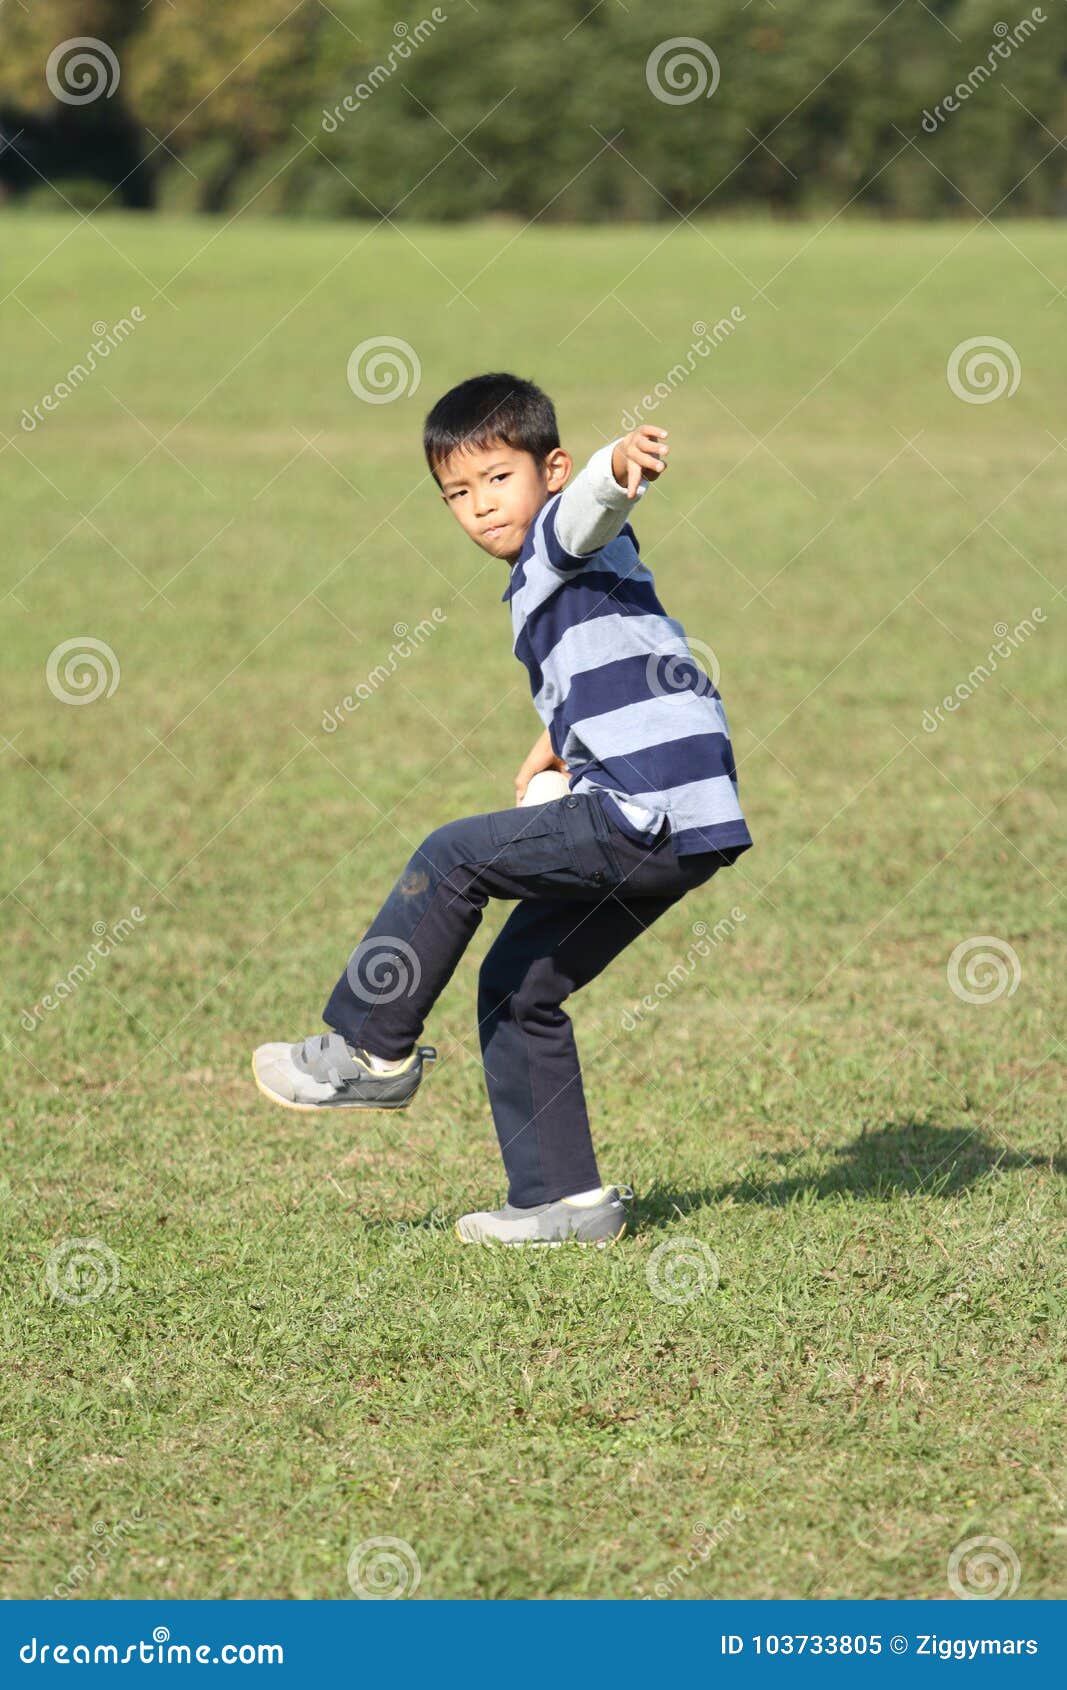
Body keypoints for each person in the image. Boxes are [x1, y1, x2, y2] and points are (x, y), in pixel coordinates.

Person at [252, 373, 753, 1245]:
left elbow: (584, 511)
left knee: (450, 857)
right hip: (680, 818)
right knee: (519, 986)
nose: (479, 506)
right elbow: (601, 675)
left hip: (647, 810)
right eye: (456, 492)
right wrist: (554, 744)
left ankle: (370, 1048)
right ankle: (563, 1201)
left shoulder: (559, 542)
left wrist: (615, 466)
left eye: (498, 479)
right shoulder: (549, 583)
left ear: (549, 469)